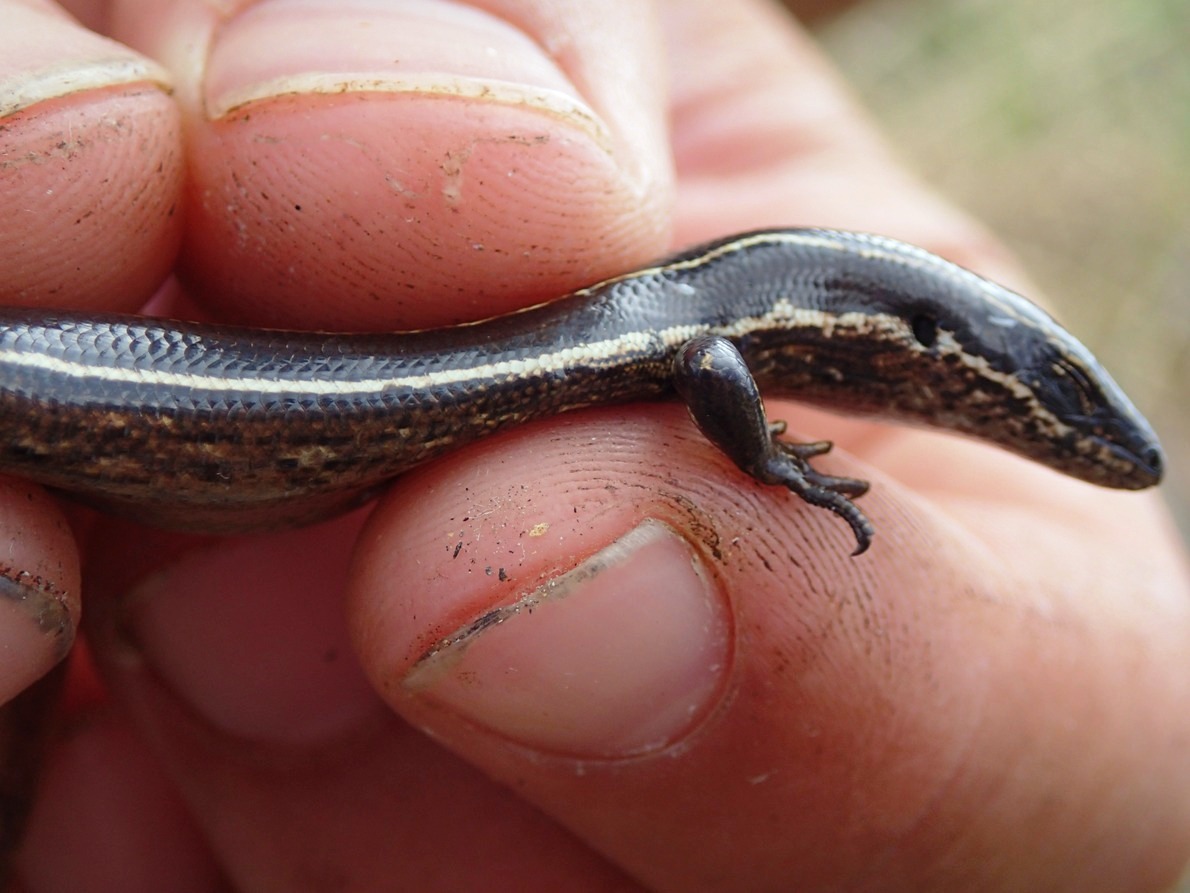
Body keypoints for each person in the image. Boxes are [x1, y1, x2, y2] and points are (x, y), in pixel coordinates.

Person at [3, 1, 1188, 890]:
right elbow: (712, 366)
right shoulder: (701, 346)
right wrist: (764, 468)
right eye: (1058, 391)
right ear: (930, 340)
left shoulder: (692, 328)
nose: (1074, 426)